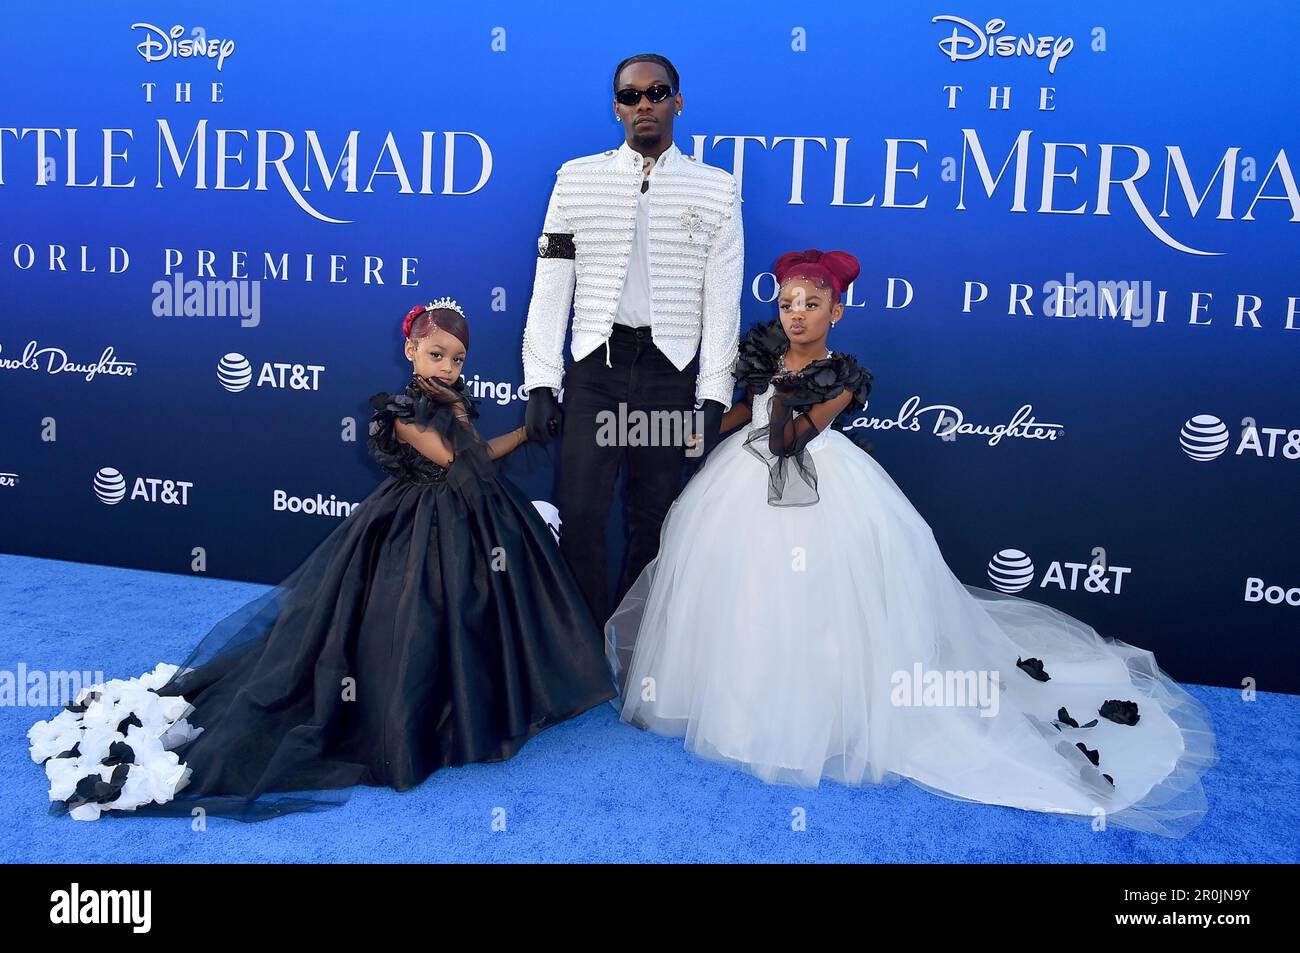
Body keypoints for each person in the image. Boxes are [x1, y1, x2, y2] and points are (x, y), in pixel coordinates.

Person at [604, 250, 1218, 838]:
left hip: (815, 483)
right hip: (741, 479)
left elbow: (791, 440)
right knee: (747, 590)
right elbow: (746, 413)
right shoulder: (762, 358)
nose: (797, 313)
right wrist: (696, 431)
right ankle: (736, 708)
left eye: (812, 303)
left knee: (819, 598)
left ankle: (820, 716)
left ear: (836, 311)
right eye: (788, 302)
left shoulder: (842, 377)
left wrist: (785, 400)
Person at [28, 299, 616, 821]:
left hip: (470, 520)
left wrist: (524, 434)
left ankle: (471, 708)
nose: (447, 368)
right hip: (411, 526)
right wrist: (466, 420)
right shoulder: (400, 410)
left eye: (457, 360)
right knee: (407, 620)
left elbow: (479, 455)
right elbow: (452, 460)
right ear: (411, 350)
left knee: (469, 614)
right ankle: (405, 725)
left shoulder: (449, 405)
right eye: (436, 354)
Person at [521, 52, 744, 627]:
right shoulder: (575, 180)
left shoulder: (716, 189)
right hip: (596, 369)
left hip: (668, 376)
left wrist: (714, 391)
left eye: (657, 92)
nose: (644, 104)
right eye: (630, 95)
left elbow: (722, 299)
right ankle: (581, 643)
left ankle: (634, 640)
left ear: (678, 101)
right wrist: (542, 380)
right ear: (616, 107)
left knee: (655, 516)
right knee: (581, 510)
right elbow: (552, 284)